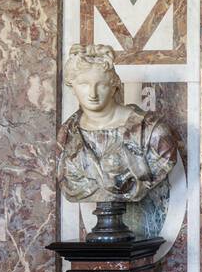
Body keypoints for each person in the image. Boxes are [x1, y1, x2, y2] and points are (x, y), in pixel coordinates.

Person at [56, 44, 178, 203]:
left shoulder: (152, 132)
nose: (92, 93)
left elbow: (163, 160)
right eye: (84, 84)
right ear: (72, 87)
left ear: (114, 87)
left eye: (101, 85)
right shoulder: (67, 134)